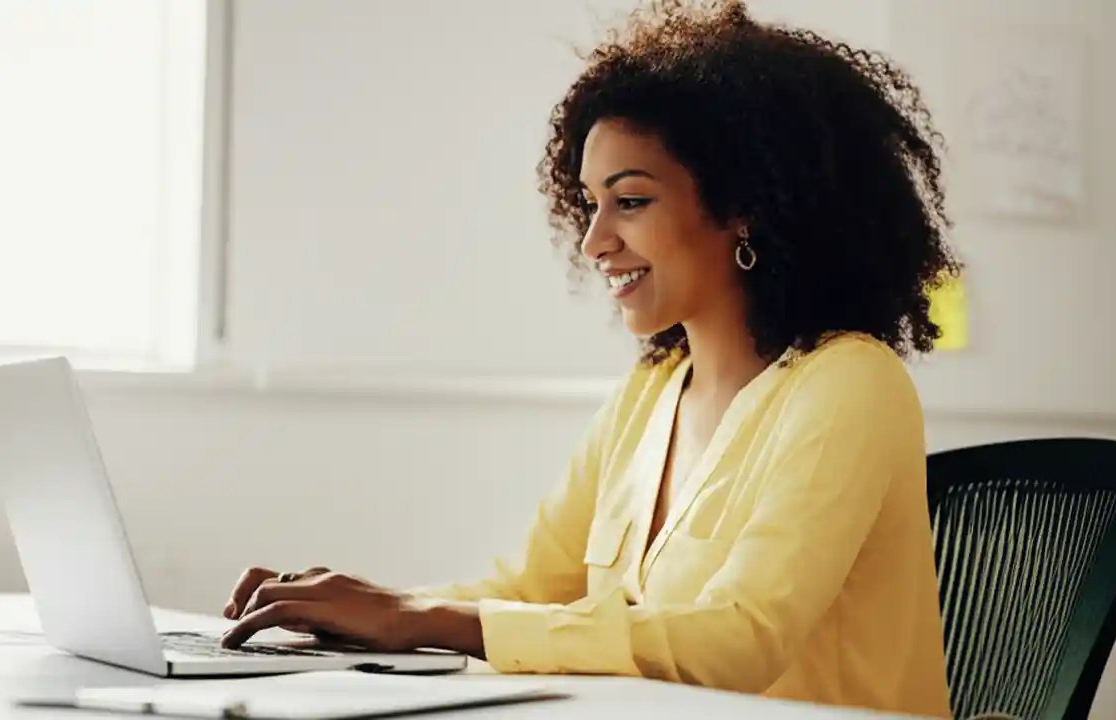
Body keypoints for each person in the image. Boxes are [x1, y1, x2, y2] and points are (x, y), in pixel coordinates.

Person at [219, 1, 958, 716]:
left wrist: (421, 620)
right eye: (590, 203)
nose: (594, 240)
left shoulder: (851, 382)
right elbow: (532, 589)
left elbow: (741, 639)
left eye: (630, 201)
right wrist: (360, 613)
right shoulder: (652, 390)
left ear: (746, 206)